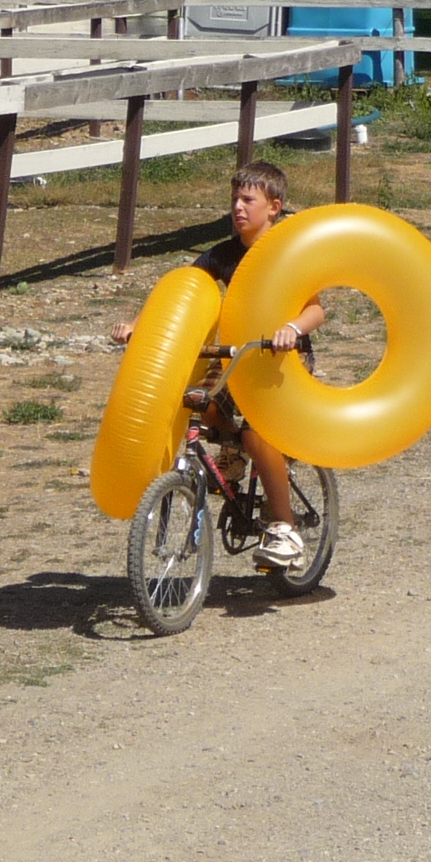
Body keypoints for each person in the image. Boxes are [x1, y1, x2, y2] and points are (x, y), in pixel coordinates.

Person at [111, 161, 323, 570]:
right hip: (237, 356)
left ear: (274, 207)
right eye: (234, 200)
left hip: (283, 361)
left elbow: (316, 310)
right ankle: (234, 450)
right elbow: (179, 294)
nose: (238, 208)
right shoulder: (223, 254)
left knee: (259, 432)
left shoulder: (286, 252)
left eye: (249, 200)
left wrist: (291, 329)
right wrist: (137, 326)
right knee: (195, 401)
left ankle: (285, 527)